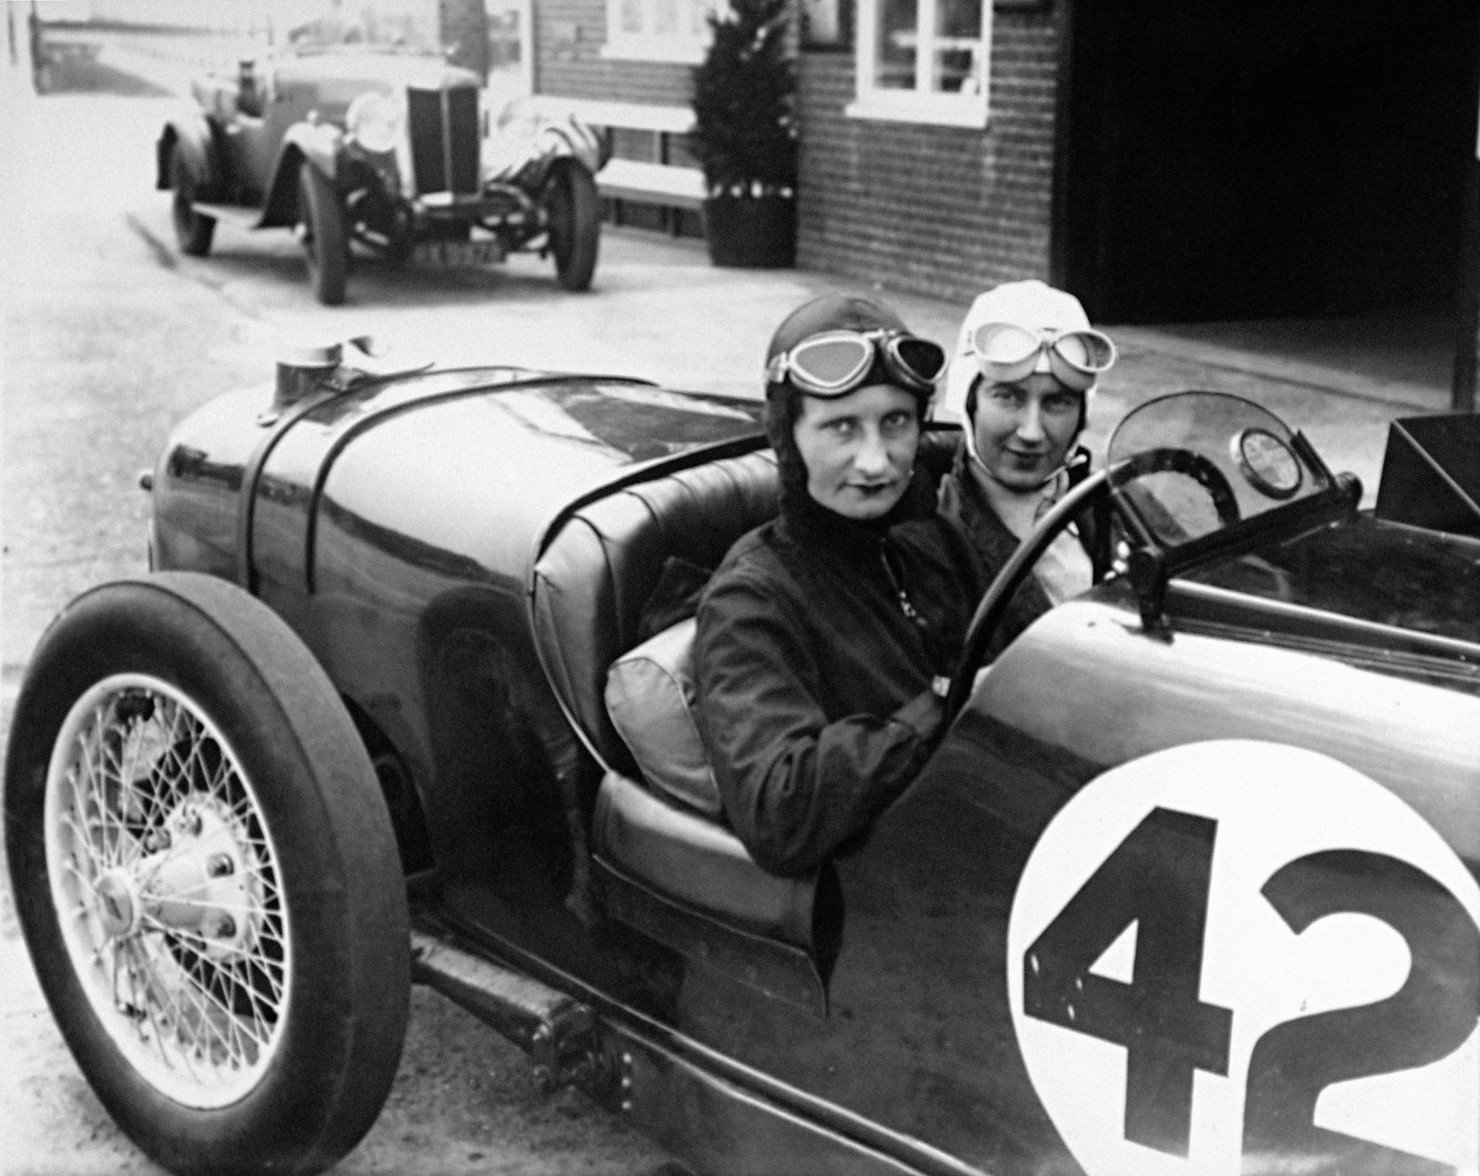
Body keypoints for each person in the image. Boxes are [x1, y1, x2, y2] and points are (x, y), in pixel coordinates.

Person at [693, 294, 984, 878]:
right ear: (787, 438)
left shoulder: (933, 545)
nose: (876, 462)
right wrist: (943, 708)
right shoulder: (751, 601)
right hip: (881, 892)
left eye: (895, 423)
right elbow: (780, 808)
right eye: (842, 427)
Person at [938, 280, 1117, 642]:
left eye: (1057, 402)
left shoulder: (1117, 504)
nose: (1032, 432)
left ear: (1083, 414)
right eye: (1008, 397)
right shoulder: (930, 531)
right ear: (968, 403)